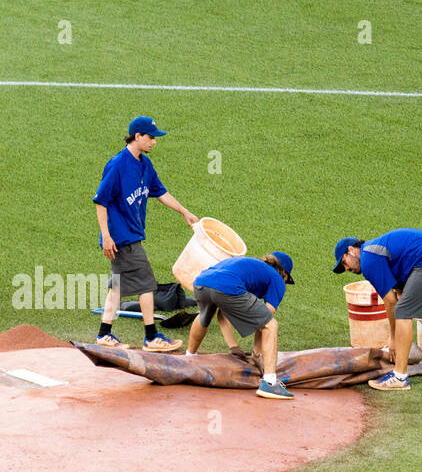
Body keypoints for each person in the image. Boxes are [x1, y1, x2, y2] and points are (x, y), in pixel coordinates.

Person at [93, 116, 197, 352]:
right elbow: (101, 202)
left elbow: (160, 192)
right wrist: (107, 236)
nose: (154, 142)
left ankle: (104, 334)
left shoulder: (144, 165)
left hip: (130, 235)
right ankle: (151, 337)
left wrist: (184, 211)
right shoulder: (117, 165)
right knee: (147, 285)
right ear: (137, 137)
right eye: (150, 137)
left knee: (117, 287)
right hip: (122, 238)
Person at [331, 229, 422, 390]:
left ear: (351, 250)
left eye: (344, 262)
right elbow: (400, 284)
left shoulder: (368, 258)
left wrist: (393, 338)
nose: (346, 269)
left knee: (402, 311)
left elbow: (390, 302)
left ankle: (399, 376)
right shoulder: (377, 249)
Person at [187, 252, 296, 399]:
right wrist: (256, 355)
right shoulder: (276, 278)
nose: (284, 283)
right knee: (271, 325)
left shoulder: (251, 269)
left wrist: (234, 347)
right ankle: (270, 383)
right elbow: (264, 321)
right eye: (286, 279)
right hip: (226, 286)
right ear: (283, 273)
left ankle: (188, 358)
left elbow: (222, 314)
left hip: (201, 282)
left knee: (205, 315)